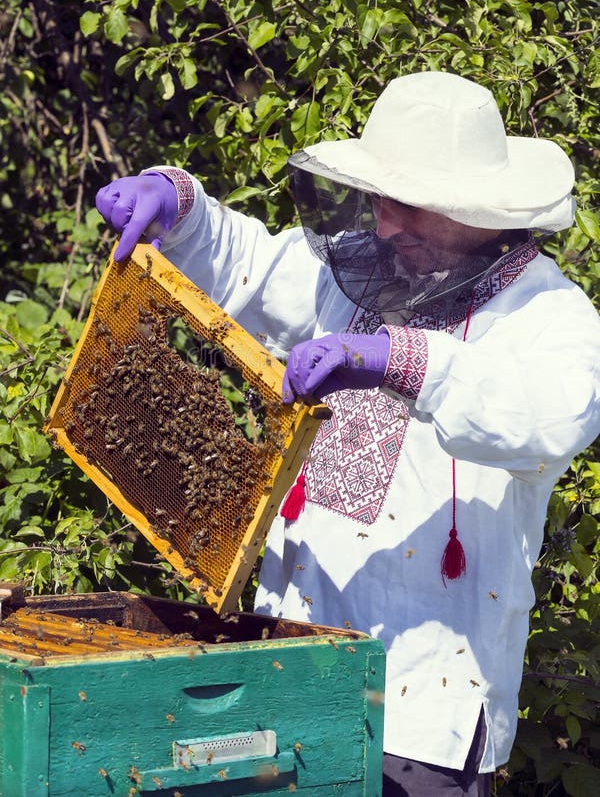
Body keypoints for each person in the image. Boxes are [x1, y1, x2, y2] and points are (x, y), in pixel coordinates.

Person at [94, 71, 600, 796]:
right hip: (289, 664)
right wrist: (183, 209)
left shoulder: (548, 315)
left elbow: (553, 414)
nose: (384, 221)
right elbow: (254, 267)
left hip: (423, 709)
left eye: (406, 203)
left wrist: (405, 361)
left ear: (475, 207)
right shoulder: (367, 267)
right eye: (379, 197)